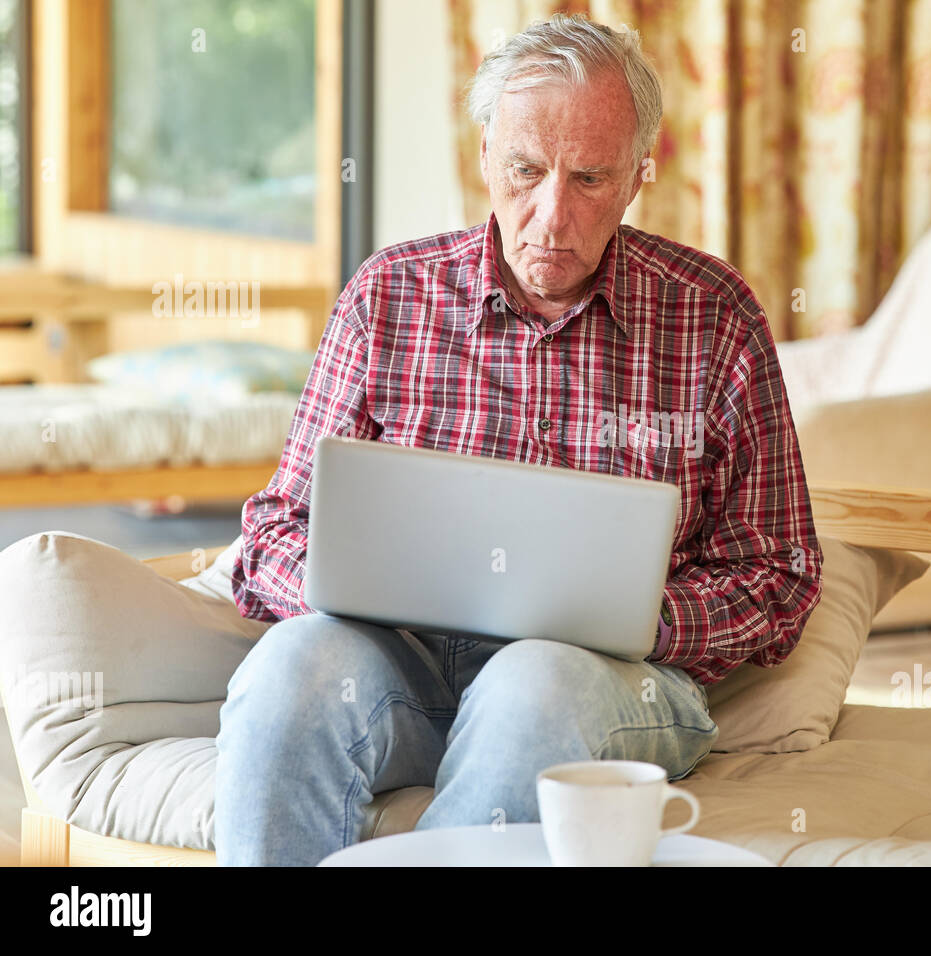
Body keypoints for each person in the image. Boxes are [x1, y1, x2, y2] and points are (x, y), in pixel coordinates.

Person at [216, 12, 822, 866]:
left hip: (604, 684)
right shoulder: (389, 296)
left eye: (591, 179)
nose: (551, 215)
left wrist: (635, 617)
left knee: (532, 684)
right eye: (525, 172)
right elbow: (273, 530)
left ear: (640, 176)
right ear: (485, 155)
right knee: (291, 672)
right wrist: (337, 584)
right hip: (403, 672)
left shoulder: (713, 316)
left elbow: (780, 577)